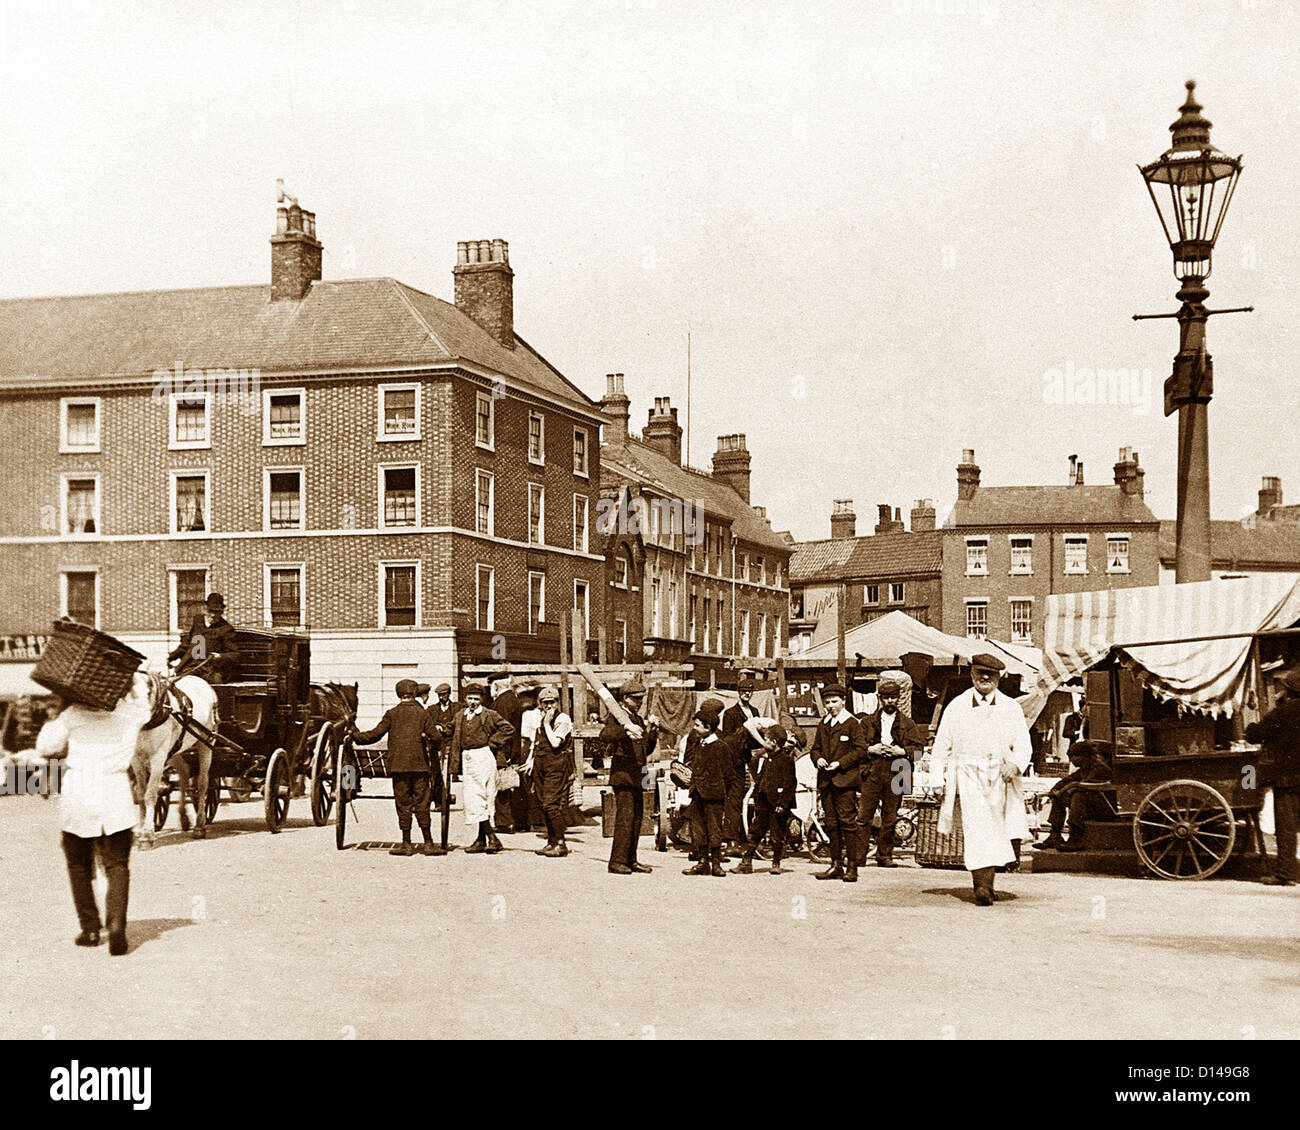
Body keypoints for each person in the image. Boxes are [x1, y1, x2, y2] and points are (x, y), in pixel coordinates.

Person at [36, 678, 153, 955]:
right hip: (115, 795)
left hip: (80, 795)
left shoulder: (72, 715)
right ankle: (116, 927)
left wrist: (64, 705)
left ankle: (90, 929)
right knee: (117, 865)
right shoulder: (129, 714)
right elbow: (146, 709)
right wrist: (132, 683)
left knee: (78, 864)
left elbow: (45, 746)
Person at [931, 654, 1033, 906]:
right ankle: (982, 887)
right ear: (971, 674)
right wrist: (936, 778)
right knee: (977, 828)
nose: (985, 678)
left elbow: (1023, 744)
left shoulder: (1011, 707)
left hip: (1000, 777)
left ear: (1000, 677)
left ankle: (987, 883)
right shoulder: (957, 705)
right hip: (968, 775)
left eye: (991, 674)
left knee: (998, 830)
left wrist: (1016, 765)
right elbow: (941, 744)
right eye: (980, 673)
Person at [351, 679, 445, 857]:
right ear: (414, 693)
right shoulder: (422, 713)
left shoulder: (391, 714)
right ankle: (429, 843)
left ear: (398, 694)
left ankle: (406, 844)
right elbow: (436, 738)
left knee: (403, 804)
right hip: (420, 767)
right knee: (422, 802)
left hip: (398, 767)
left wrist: (356, 736)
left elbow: (375, 735)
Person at [855, 678, 925, 868]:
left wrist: (901, 752)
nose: (890, 702)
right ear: (880, 698)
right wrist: (872, 749)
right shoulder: (867, 722)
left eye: (893, 698)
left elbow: (919, 751)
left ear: (899, 699)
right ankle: (858, 857)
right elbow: (856, 748)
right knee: (864, 816)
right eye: (886, 698)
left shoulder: (908, 723)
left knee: (890, 817)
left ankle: (884, 855)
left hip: (899, 770)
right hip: (873, 770)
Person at [1245, 667, 1300, 887]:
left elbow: (1256, 735)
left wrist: (1250, 727)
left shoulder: (1284, 712)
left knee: (1287, 825)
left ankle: (1285, 874)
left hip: (1288, 778)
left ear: (1288, 691)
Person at [811, 684, 869, 883]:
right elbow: (815, 748)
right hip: (827, 782)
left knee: (847, 823)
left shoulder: (852, 723)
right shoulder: (824, 723)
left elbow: (861, 750)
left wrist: (840, 763)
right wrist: (817, 759)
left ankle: (851, 866)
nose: (830, 706)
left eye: (834, 701)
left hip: (845, 781)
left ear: (843, 701)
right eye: (827, 702)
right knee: (831, 824)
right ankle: (835, 864)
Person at [449, 683, 515, 853]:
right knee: (473, 798)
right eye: (470, 698)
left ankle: (492, 838)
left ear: (482, 700)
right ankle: (481, 839)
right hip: (467, 758)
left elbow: (509, 729)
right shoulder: (460, 715)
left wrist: (492, 742)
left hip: (483, 757)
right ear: (465, 699)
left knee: (482, 796)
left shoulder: (489, 714)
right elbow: (451, 728)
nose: (473, 702)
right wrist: (440, 729)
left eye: (476, 699)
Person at [604, 680, 656, 875]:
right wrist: (625, 729)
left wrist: (652, 732)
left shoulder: (638, 719)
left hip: (639, 773)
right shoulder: (617, 717)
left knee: (637, 818)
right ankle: (617, 861)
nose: (640, 702)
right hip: (623, 775)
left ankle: (631, 859)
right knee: (625, 818)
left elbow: (646, 749)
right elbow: (605, 735)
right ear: (625, 699)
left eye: (641, 698)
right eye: (636, 699)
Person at [734, 724, 799, 875]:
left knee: (777, 835)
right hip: (763, 801)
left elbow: (790, 784)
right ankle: (746, 862)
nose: (764, 743)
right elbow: (760, 779)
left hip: (777, 804)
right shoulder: (766, 757)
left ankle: (776, 862)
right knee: (755, 832)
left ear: (774, 742)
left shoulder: (786, 760)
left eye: (766, 740)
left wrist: (782, 804)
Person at [682, 702, 735, 876]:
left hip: (714, 796)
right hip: (697, 794)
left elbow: (728, 775)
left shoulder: (721, 747)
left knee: (714, 829)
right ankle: (702, 862)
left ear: (708, 727)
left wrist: (717, 789)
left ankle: (716, 863)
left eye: (697, 725)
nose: (694, 728)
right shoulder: (698, 744)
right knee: (699, 828)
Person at [1034, 739, 1113, 852]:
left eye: (1073, 757)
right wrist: (1055, 790)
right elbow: (1067, 780)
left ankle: (1075, 838)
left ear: (1083, 756)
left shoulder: (1100, 768)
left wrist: (1065, 790)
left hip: (1105, 808)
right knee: (1059, 798)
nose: (1071, 760)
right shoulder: (1083, 770)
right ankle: (1054, 835)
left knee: (1078, 796)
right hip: (1090, 807)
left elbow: (1080, 785)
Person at [524, 686, 575, 857]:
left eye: (552, 702)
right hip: (541, 763)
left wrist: (546, 723)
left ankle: (561, 843)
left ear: (558, 702)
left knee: (550, 804)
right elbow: (537, 741)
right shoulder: (542, 718)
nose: (549, 706)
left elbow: (555, 743)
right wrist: (531, 761)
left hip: (557, 764)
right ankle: (551, 841)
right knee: (541, 803)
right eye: (545, 703)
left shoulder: (563, 719)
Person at [721, 678, 767, 854]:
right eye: (743, 691)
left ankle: (746, 837)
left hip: (752, 761)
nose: (747, 693)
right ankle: (731, 840)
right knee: (734, 799)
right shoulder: (730, 714)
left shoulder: (755, 711)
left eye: (749, 691)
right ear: (738, 693)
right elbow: (728, 740)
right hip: (735, 762)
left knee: (751, 800)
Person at [487, 673, 528, 833]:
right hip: (514, 748)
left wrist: (498, 749)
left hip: (503, 751)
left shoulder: (502, 703)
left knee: (502, 785)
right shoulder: (513, 700)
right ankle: (521, 821)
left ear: (496, 686)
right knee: (515, 786)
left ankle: (505, 822)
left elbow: (503, 730)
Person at [168, 593, 239, 684]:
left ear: (221, 612)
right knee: (176, 683)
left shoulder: (226, 629)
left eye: (217, 612)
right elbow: (186, 645)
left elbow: (235, 654)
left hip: (212, 669)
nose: (213, 615)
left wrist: (220, 656)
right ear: (205, 609)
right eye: (211, 611)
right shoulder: (198, 621)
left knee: (217, 687)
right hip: (193, 666)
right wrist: (170, 657)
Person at [427, 683, 461, 777]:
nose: (441, 697)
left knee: (449, 770)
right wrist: (436, 726)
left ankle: (447, 790)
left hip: (452, 742)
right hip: (437, 744)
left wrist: (445, 728)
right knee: (436, 770)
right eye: (439, 695)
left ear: (449, 694)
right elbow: (429, 724)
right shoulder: (432, 709)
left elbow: (458, 723)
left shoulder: (457, 707)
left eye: (444, 695)